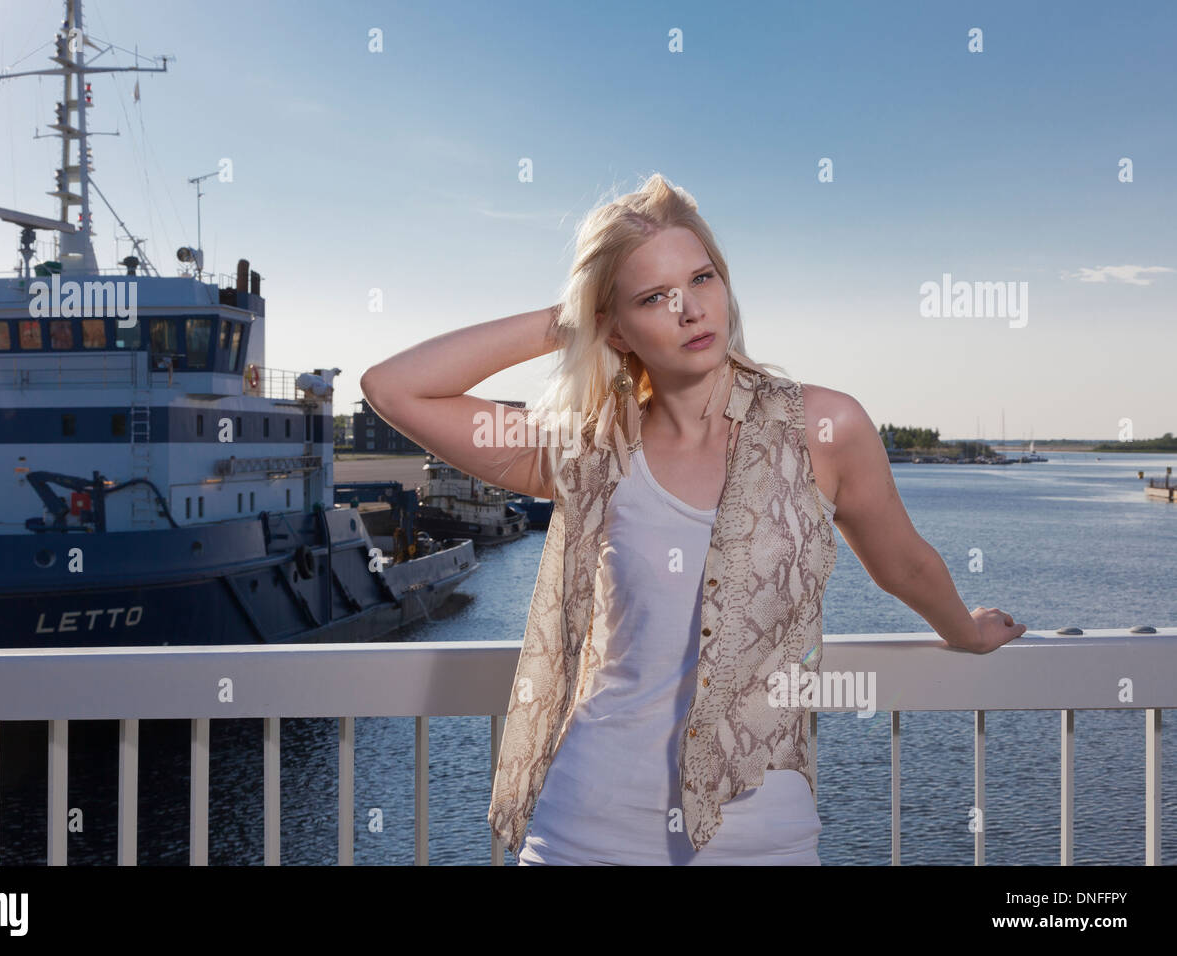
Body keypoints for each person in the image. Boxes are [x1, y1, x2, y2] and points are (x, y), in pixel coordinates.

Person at [360, 173, 1026, 865]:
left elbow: (903, 563)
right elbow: (393, 387)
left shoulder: (823, 428)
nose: (690, 309)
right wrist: (569, 318)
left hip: (762, 836)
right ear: (614, 328)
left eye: (702, 278)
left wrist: (965, 632)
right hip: (586, 830)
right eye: (654, 297)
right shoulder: (589, 451)